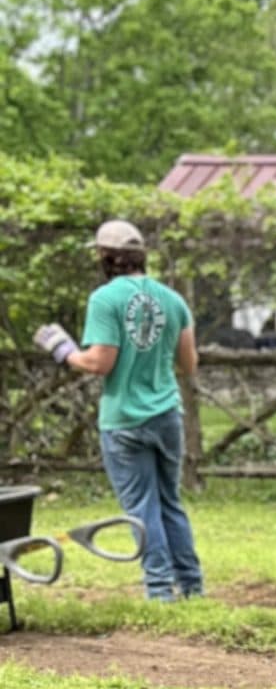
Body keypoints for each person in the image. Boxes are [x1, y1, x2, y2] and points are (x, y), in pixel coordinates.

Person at [33, 219, 205, 602]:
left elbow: (100, 362)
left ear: (106, 257)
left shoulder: (105, 300)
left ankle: (160, 591)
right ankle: (192, 586)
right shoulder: (173, 299)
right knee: (169, 502)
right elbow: (189, 363)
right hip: (167, 415)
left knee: (142, 507)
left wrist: (63, 350)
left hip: (125, 418)